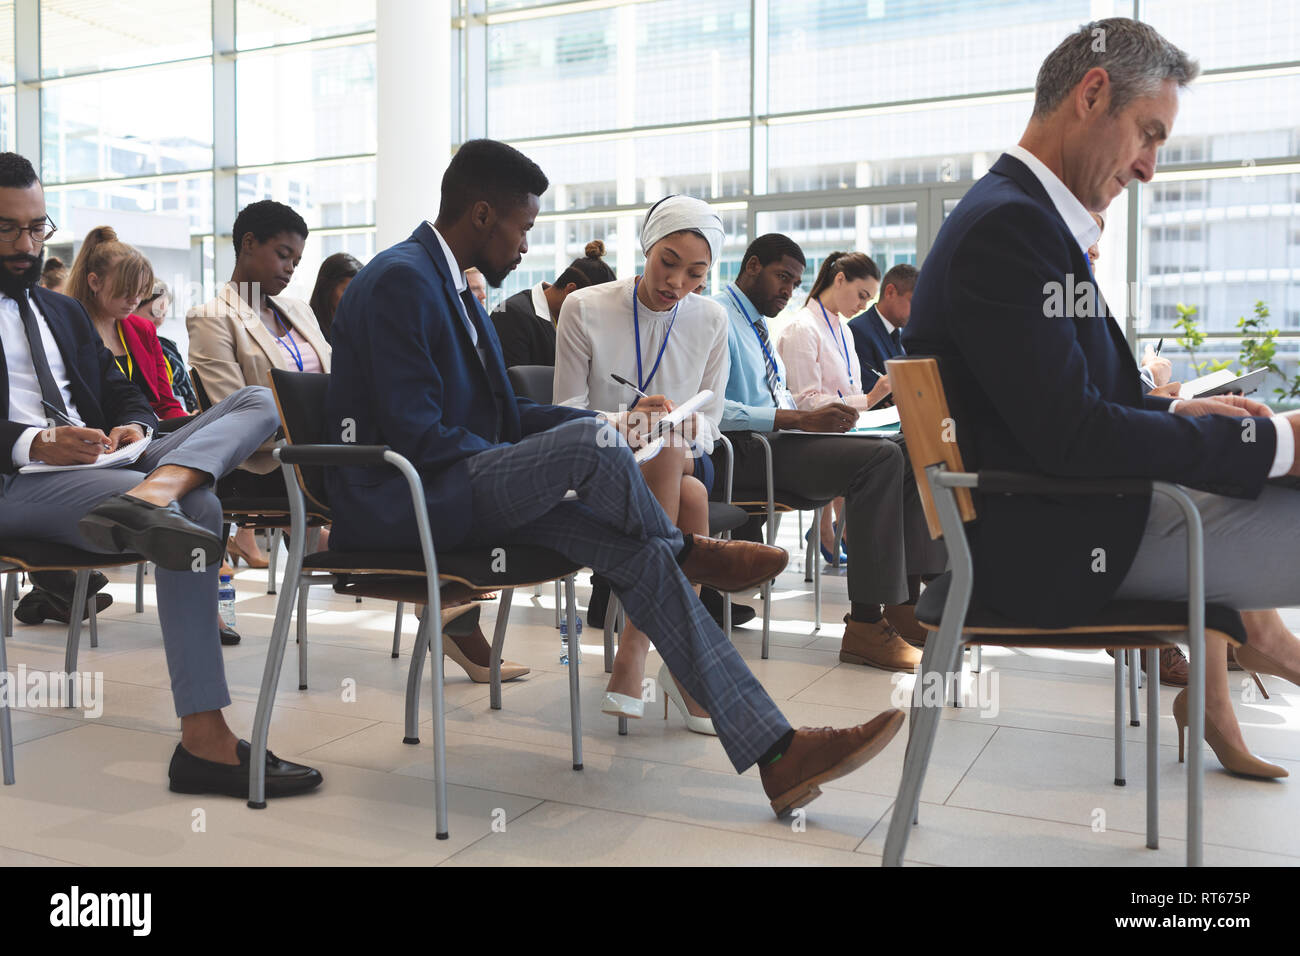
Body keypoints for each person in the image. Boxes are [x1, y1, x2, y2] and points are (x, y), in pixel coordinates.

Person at [324, 137, 904, 816]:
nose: (524, 244)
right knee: (593, 445)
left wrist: (626, 420)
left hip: (460, 481)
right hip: (411, 497)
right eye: (525, 227)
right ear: (484, 214)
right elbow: (419, 436)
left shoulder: (446, 281)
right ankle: (687, 548)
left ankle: (779, 752)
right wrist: (582, 438)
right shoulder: (403, 279)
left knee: (637, 545)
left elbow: (504, 414)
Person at [903, 16, 1300, 778]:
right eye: (1148, 134)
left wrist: (1176, 412)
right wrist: (1276, 444)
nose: (1149, 167)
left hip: (1066, 517)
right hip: (1061, 544)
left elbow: (1058, 407)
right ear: (1092, 93)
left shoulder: (1013, 217)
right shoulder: (1012, 230)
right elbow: (1072, 438)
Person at [0, 151, 323, 799]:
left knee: (261, 401)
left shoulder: (57, 312)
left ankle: (160, 486)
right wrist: (38, 440)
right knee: (200, 511)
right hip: (20, 479)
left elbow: (123, 395)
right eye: (8, 228)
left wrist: (134, 430)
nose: (26, 244)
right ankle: (204, 738)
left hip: (110, 463)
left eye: (37, 228)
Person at [717, 233, 946, 671]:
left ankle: (905, 601)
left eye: (793, 282)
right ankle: (865, 623)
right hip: (749, 451)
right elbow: (712, 407)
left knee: (910, 447)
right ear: (751, 266)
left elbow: (781, 395)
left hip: (782, 439)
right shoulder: (719, 318)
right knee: (882, 459)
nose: (788, 290)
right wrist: (797, 420)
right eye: (781, 277)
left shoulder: (759, 323)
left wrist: (802, 420)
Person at [553, 196, 730, 732]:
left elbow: (712, 426)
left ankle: (635, 642)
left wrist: (678, 426)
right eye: (668, 262)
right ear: (647, 249)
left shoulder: (710, 318)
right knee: (691, 503)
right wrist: (628, 421)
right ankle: (683, 664)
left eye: (696, 273)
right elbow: (563, 415)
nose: (677, 282)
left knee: (676, 448)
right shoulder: (584, 307)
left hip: (684, 459)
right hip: (602, 460)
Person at [187, 200, 329, 571]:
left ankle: (420, 582)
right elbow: (235, 413)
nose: (290, 270)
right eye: (283, 255)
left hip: (327, 450)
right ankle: (421, 581)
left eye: (296, 262)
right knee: (400, 474)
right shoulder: (212, 319)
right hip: (268, 464)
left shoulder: (299, 310)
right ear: (248, 243)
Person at [776, 252, 892, 563]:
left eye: (869, 299)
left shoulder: (843, 328)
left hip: (840, 430)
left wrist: (866, 401)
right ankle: (856, 540)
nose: (864, 306)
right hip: (808, 437)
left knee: (895, 446)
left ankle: (850, 535)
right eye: (862, 295)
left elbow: (849, 388)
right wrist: (869, 398)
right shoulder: (803, 328)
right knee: (883, 458)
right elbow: (804, 403)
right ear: (839, 280)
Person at [67, 227, 187, 423]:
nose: (135, 300)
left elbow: (166, 403)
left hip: (148, 431)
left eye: (141, 292)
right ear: (95, 282)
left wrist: (188, 428)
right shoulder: (69, 330)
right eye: (127, 291)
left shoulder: (143, 329)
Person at [491, 239, 615, 367]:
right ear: (571, 291)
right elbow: (515, 383)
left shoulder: (565, 321)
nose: (593, 320)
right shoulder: (510, 315)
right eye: (593, 311)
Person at [847, 262, 917, 402]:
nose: (917, 310)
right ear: (890, 292)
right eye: (913, 302)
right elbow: (871, 395)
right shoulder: (857, 330)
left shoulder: (903, 334)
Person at [131, 280, 199, 414]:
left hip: (182, 415)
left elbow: (188, 390)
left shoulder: (168, 346)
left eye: (164, 314)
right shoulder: (123, 349)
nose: (159, 320)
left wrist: (196, 411)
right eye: (153, 313)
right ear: (133, 307)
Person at [309, 251, 362, 344]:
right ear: (327, 289)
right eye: (348, 291)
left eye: (359, 293)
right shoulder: (307, 329)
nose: (356, 300)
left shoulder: (357, 330)